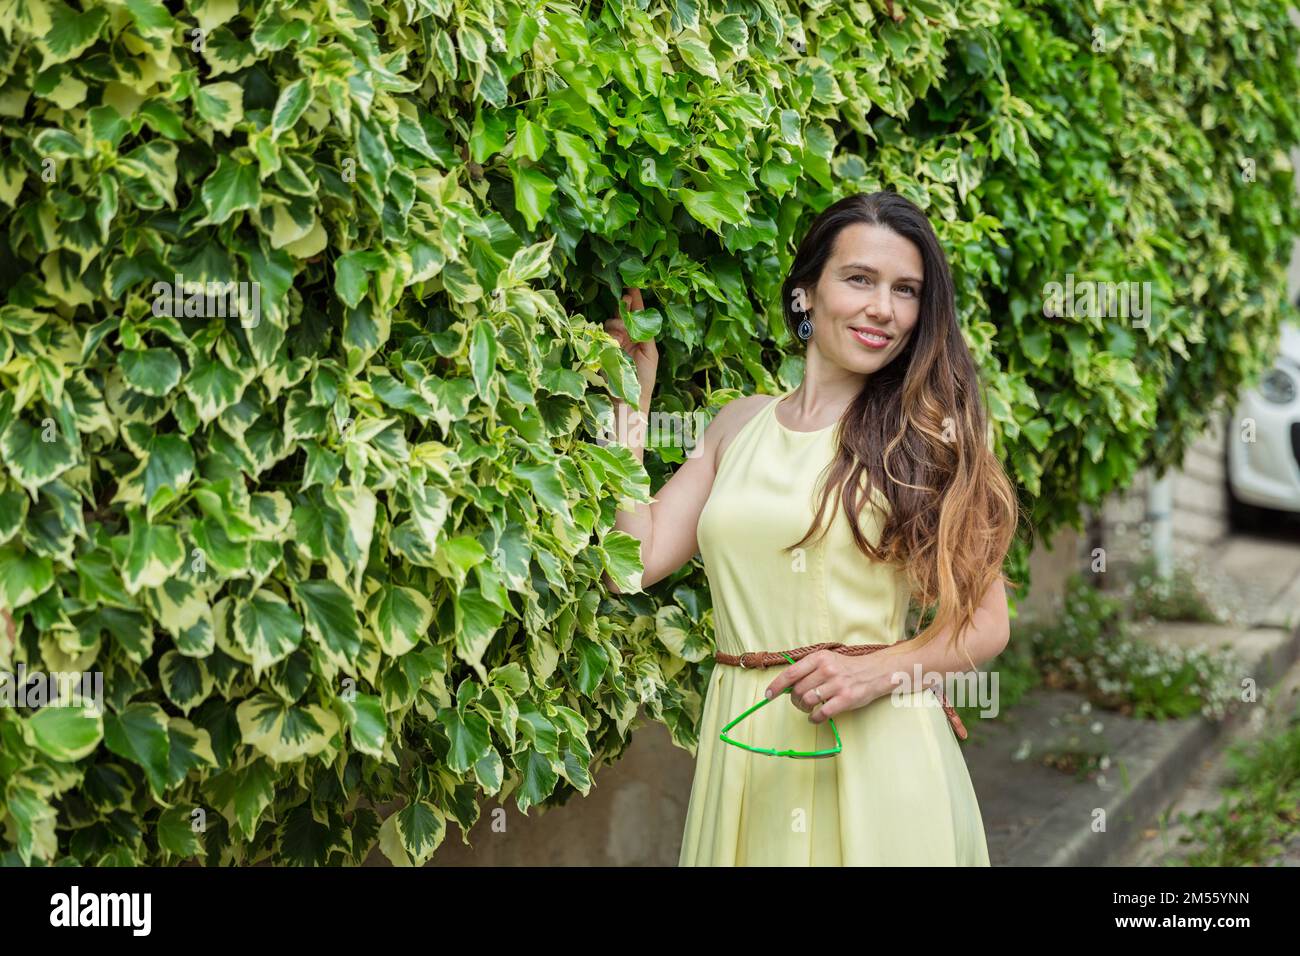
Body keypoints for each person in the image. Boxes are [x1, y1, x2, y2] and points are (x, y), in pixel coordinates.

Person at [602, 191, 1021, 866]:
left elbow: (986, 623)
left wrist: (879, 672)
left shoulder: (924, 439)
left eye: (906, 290)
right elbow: (633, 564)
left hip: (878, 753)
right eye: (860, 279)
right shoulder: (737, 425)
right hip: (745, 750)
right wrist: (631, 402)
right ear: (805, 295)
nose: (883, 308)